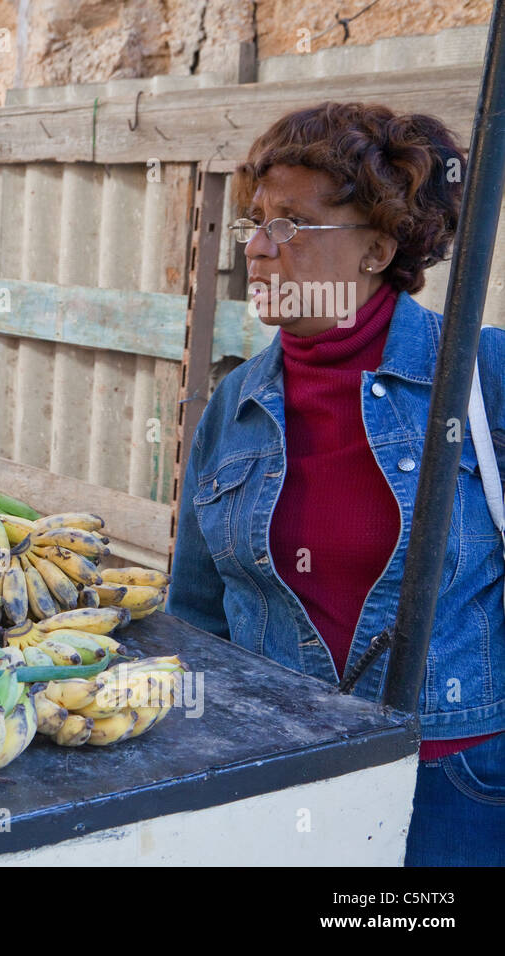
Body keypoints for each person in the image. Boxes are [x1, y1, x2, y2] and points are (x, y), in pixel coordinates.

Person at [168, 102, 505, 866]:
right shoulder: (237, 404)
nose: (255, 248)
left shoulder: (482, 380)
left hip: (454, 793)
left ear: (376, 249)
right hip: (281, 783)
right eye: (255, 221)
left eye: (291, 225)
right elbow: (195, 617)